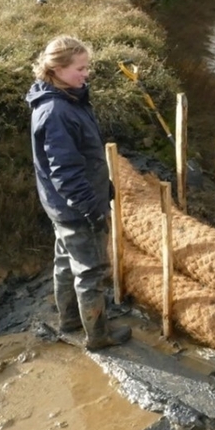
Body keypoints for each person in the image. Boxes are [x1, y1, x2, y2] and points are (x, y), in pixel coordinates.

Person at [26, 36, 131, 350]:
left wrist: (104, 185)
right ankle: (97, 336)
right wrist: (91, 207)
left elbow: (82, 156)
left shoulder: (67, 99)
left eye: (87, 67)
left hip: (62, 206)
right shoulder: (57, 111)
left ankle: (70, 320)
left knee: (64, 261)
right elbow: (65, 171)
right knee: (92, 271)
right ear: (57, 69)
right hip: (76, 209)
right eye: (80, 68)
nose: (87, 74)